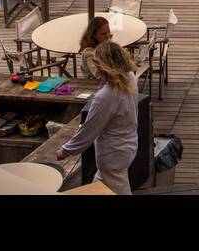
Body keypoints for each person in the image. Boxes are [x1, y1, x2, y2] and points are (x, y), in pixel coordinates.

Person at [57, 42, 140, 195]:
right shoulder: (130, 78)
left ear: (103, 66)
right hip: (128, 145)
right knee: (99, 187)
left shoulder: (106, 96)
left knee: (118, 189)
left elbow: (89, 130)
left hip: (112, 154)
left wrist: (65, 151)